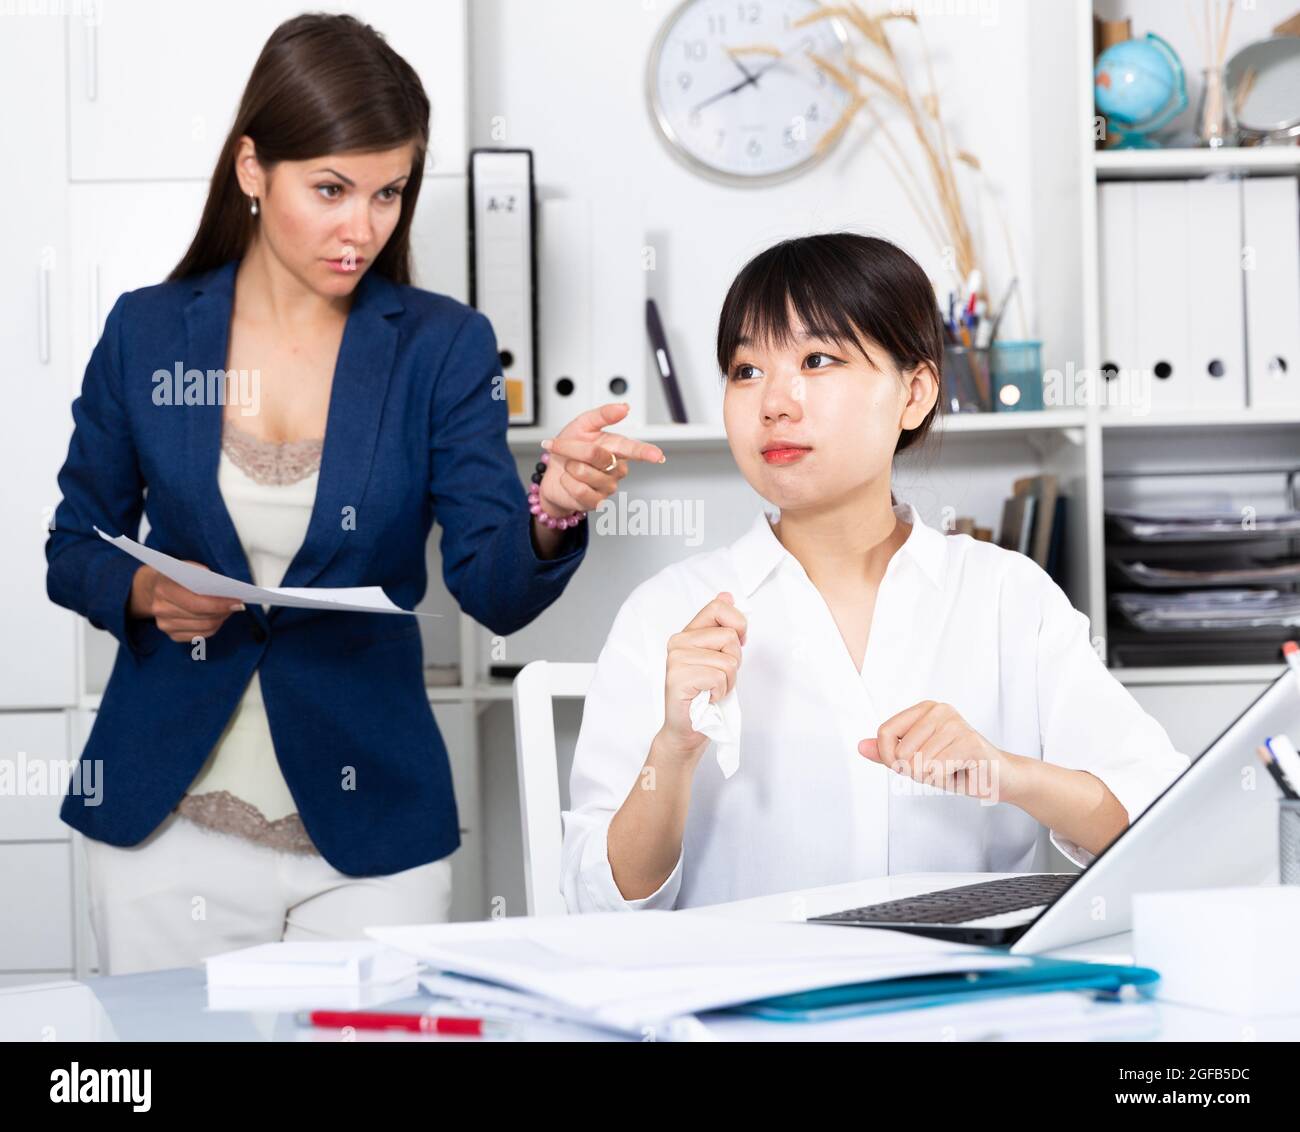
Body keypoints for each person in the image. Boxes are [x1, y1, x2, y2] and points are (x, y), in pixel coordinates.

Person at [45, 13, 662, 974]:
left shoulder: (440, 346)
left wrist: (557, 505)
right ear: (252, 168)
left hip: (373, 829)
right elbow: (73, 543)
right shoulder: (149, 332)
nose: (362, 227)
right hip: (163, 820)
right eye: (330, 189)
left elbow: (491, 588)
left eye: (388, 193)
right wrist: (145, 594)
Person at [561, 232, 1189, 912]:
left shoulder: (1008, 596)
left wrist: (1005, 773)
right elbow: (598, 905)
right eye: (746, 370)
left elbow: (1160, 820)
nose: (774, 401)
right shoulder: (666, 615)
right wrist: (674, 749)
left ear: (914, 393)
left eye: (817, 359)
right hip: (748, 1010)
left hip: (958, 1009)